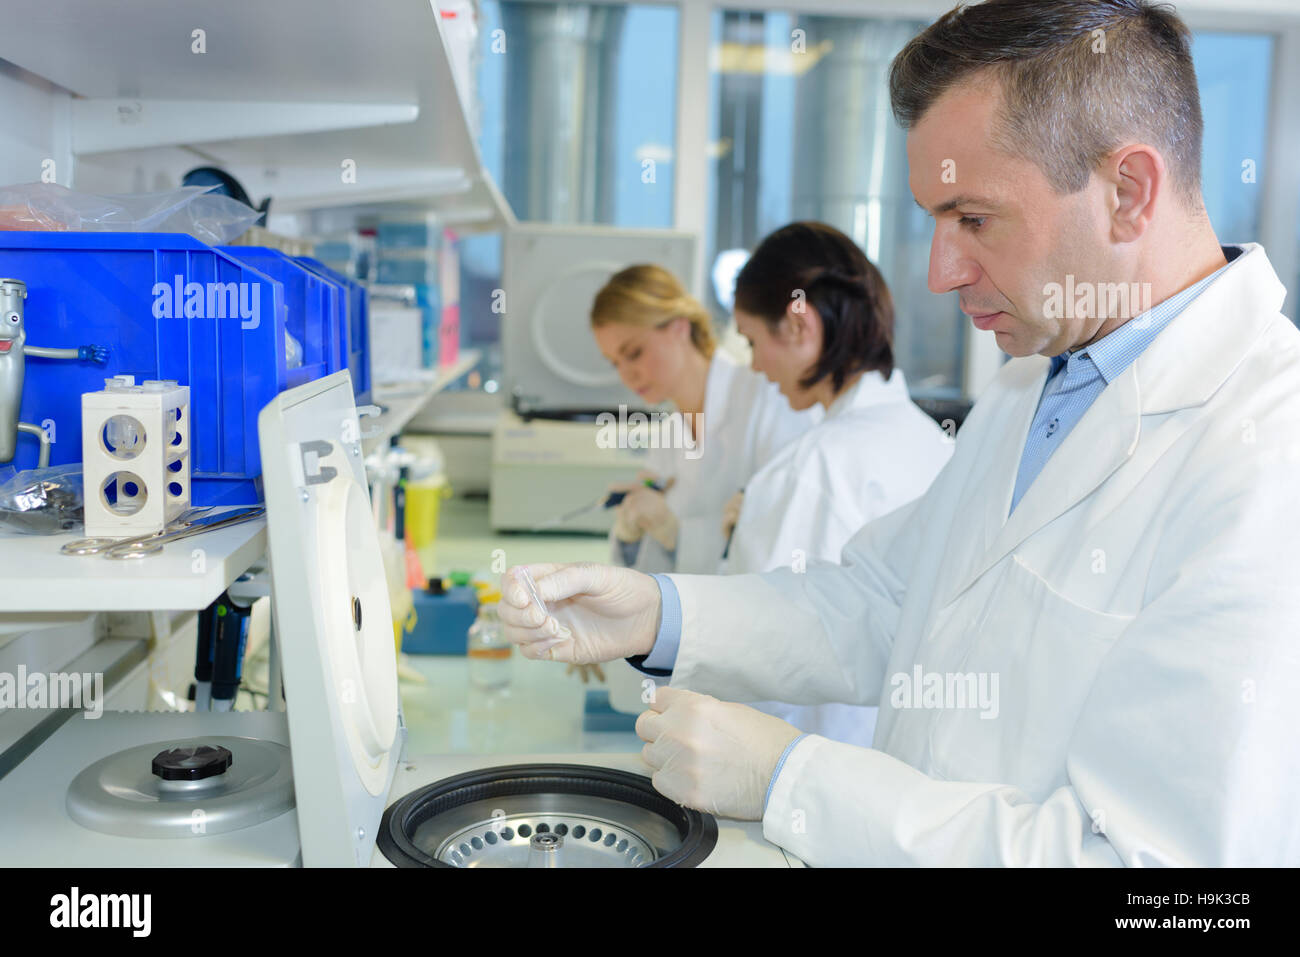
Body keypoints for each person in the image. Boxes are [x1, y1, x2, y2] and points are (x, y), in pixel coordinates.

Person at [501, 0, 1300, 866]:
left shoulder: (1265, 458)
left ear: (1129, 191)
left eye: (974, 219)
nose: (938, 271)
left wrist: (789, 780)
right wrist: (661, 614)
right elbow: (887, 602)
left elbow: (1164, 881)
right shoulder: (1038, 374)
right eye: (933, 219)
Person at [719, 222, 954, 746]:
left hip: (810, 763)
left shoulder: (812, 467)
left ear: (799, 325)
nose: (756, 366)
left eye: (753, 341)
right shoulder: (932, 442)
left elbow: (760, 666)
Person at [589, 264, 817, 575]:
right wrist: (631, 535)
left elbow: (786, 544)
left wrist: (678, 534)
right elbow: (651, 571)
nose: (626, 374)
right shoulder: (671, 430)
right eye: (615, 363)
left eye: (634, 353)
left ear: (679, 327)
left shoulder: (768, 397)